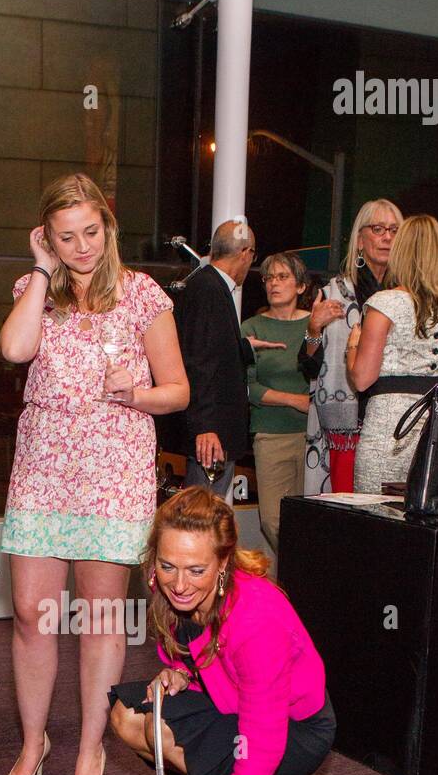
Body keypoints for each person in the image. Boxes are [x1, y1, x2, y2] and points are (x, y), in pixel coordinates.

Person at [0, 172, 188, 775]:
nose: (81, 247)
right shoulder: (36, 290)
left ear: (108, 227)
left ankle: (89, 745)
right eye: (65, 237)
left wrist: (132, 393)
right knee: (31, 611)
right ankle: (33, 741)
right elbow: (13, 349)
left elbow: (178, 390)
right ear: (47, 239)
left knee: (99, 616)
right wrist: (40, 272)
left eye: (91, 231)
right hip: (43, 468)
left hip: (113, 472)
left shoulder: (142, 295)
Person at [109, 487, 335, 775]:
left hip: (294, 732)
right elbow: (192, 650)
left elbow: (263, 745)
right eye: (167, 566)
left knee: (161, 729)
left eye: (196, 570)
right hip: (229, 702)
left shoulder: (255, 619)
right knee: (128, 717)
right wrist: (180, 671)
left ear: (223, 562)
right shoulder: (171, 587)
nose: (178, 584)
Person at [169, 219, 284, 502]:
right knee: (204, 515)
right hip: (212, 432)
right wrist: (205, 425)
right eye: (252, 256)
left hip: (213, 429)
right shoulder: (210, 289)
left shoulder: (207, 285)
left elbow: (207, 349)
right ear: (245, 253)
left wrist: (241, 346)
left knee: (206, 512)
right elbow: (200, 361)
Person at [349, 215, 438, 492]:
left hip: (389, 430)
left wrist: (353, 346)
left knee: (377, 520)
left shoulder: (384, 304)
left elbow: (362, 379)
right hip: (435, 431)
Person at [300, 199, 404, 493]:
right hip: (348, 428)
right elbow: (308, 364)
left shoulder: (407, 296)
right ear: (360, 240)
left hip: (397, 427)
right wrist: (314, 328)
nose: (386, 237)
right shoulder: (333, 293)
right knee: (347, 512)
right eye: (378, 228)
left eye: (394, 230)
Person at [242, 252, 312, 552]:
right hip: (271, 433)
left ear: (301, 286)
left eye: (282, 277)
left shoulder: (316, 326)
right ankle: (302, 573)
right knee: (273, 520)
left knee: (312, 520)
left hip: (315, 438)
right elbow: (247, 386)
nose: (273, 283)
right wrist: (294, 400)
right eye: (269, 278)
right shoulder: (252, 328)